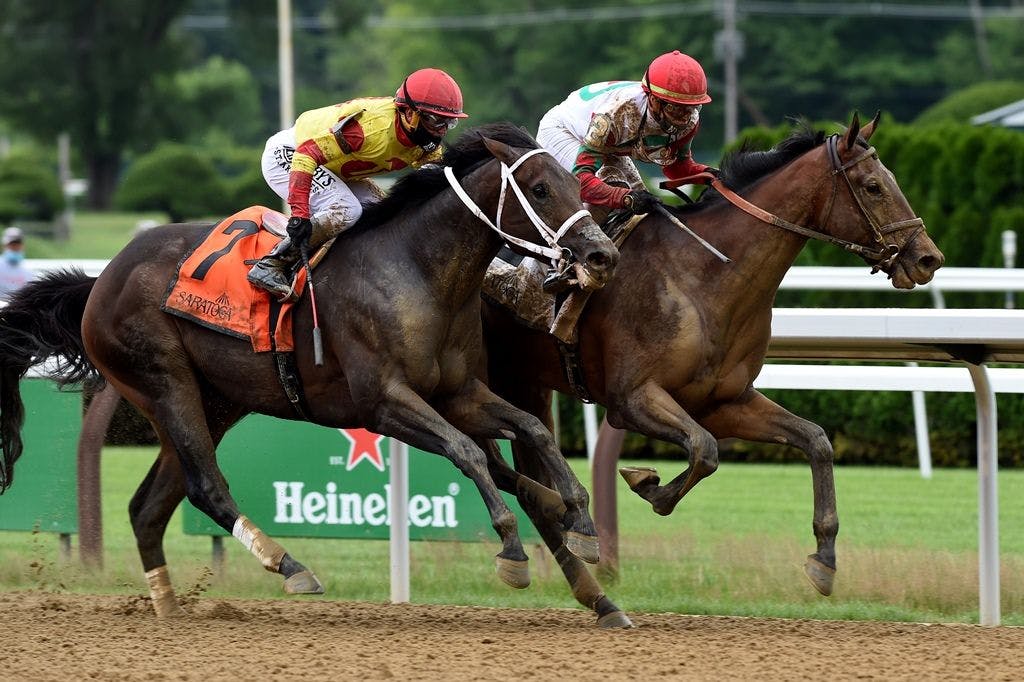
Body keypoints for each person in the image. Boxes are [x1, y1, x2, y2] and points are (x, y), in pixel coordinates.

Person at [247, 68, 469, 300]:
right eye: (435, 120)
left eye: (449, 123)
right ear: (409, 113)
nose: (441, 131)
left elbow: (439, 177)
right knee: (347, 210)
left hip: (332, 167)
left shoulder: (422, 138)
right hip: (291, 155)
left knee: (388, 218)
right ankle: (273, 264)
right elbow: (306, 155)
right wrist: (299, 214)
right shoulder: (369, 131)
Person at [536, 50, 715, 218]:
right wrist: (625, 198)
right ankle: (570, 247)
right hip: (562, 130)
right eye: (676, 108)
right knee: (616, 191)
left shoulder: (690, 120)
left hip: (606, 145)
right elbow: (583, 182)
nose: (684, 117)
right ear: (654, 100)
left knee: (646, 208)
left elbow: (676, 168)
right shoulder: (617, 115)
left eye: (691, 108)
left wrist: (713, 175)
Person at [0, 227, 35, 300]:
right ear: (4, 246)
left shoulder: (28, 273)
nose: (15, 248)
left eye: (18, 245)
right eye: (12, 245)